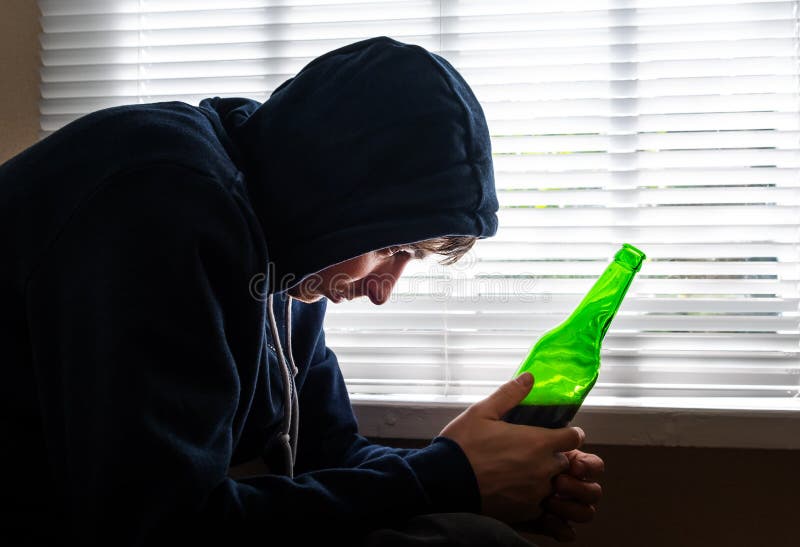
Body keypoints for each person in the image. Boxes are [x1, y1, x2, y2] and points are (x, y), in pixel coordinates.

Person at [0, 36, 603, 546]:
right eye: (392, 247)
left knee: (470, 532)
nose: (383, 291)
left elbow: (328, 451)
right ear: (336, 189)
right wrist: (446, 477)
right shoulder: (159, 198)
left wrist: (482, 473)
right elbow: (158, 525)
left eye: (410, 259)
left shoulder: (287, 253)